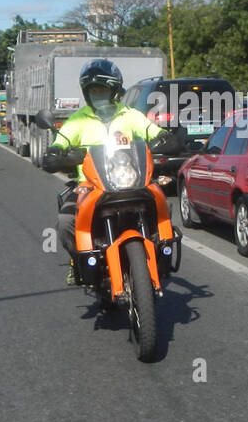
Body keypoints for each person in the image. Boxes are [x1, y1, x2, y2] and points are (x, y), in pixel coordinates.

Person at [42, 59, 170, 283]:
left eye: (102, 89)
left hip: (134, 181)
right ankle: (78, 261)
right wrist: (55, 153)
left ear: (114, 91)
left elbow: (155, 133)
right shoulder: (78, 119)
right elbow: (60, 143)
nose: (97, 93)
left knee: (161, 204)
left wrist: (166, 139)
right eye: (93, 90)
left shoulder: (131, 115)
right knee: (64, 223)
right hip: (89, 186)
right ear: (86, 93)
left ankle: (162, 251)